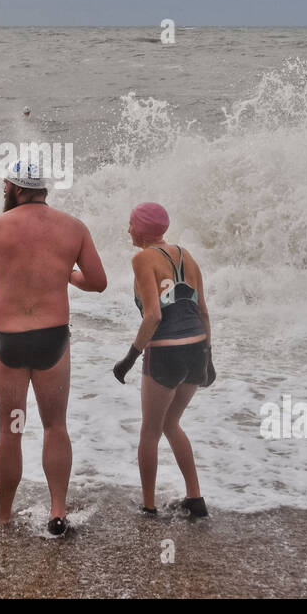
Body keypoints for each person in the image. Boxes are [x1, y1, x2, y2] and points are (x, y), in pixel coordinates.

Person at [0, 160, 107, 535]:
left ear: (14, 188)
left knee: (10, 431)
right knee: (55, 427)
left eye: (5, 187)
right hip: (52, 340)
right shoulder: (73, 227)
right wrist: (68, 275)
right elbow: (97, 281)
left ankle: (3, 516)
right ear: (42, 188)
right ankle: (57, 512)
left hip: (9, 342)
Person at [111, 202, 213, 518]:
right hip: (196, 348)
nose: (128, 229)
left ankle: (149, 505)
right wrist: (208, 358)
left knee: (150, 432)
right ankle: (195, 498)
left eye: (131, 223)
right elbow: (202, 312)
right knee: (172, 423)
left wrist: (129, 358)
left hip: (166, 351)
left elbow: (153, 315)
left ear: (142, 228)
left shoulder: (143, 259)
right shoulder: (187, 256)